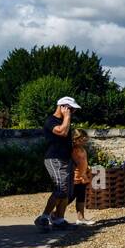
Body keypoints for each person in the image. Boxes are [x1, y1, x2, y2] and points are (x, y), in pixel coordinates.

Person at [34, 96, 80, 231]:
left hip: (66, 159)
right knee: (60, 189)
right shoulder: (51, 121)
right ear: (63, 107)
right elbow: (62, 132)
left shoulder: (65, 120)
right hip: (54, 159)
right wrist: (67, 117)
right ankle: (43, 218)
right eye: (71, 109)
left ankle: (59, 219)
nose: (73, 112)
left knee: (66, 191)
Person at [71, 128, 96, 226]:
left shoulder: (83, 149)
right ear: (75, 139)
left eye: (84, 139)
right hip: (75, 177)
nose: (83, 141)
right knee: (69, 198)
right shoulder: (73, 150)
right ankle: (55, 214)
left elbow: (83, 161)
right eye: (81, 139)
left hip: (83, 177)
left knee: (81, 198)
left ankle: (81, 218)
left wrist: (87, 168)